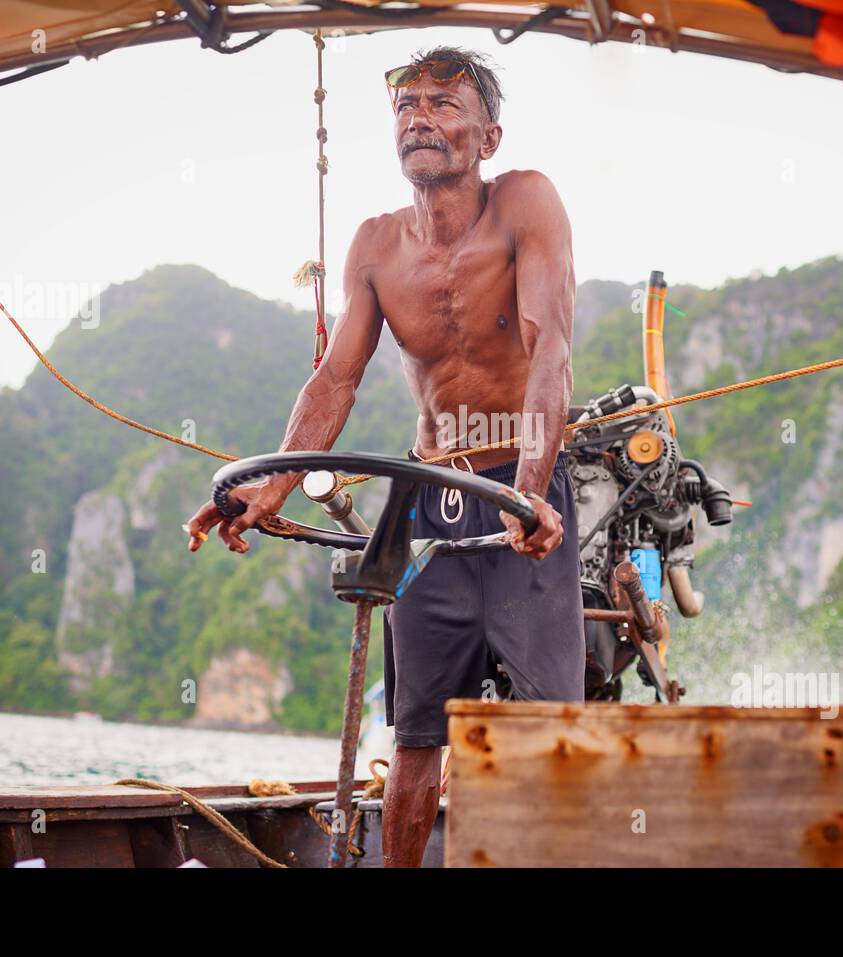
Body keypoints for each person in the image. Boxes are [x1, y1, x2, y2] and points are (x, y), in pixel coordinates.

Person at [185, 45, 584, 866]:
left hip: (522, 486)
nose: (419, 117)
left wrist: (533, 495)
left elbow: (550, 351)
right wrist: (265, 487)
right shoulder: (375, 245)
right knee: (415, 736)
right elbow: (335, 379)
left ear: (489, 135)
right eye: (407, 106)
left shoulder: (526, 204)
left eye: (443, 102)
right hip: (428, 497)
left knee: (550, 726)